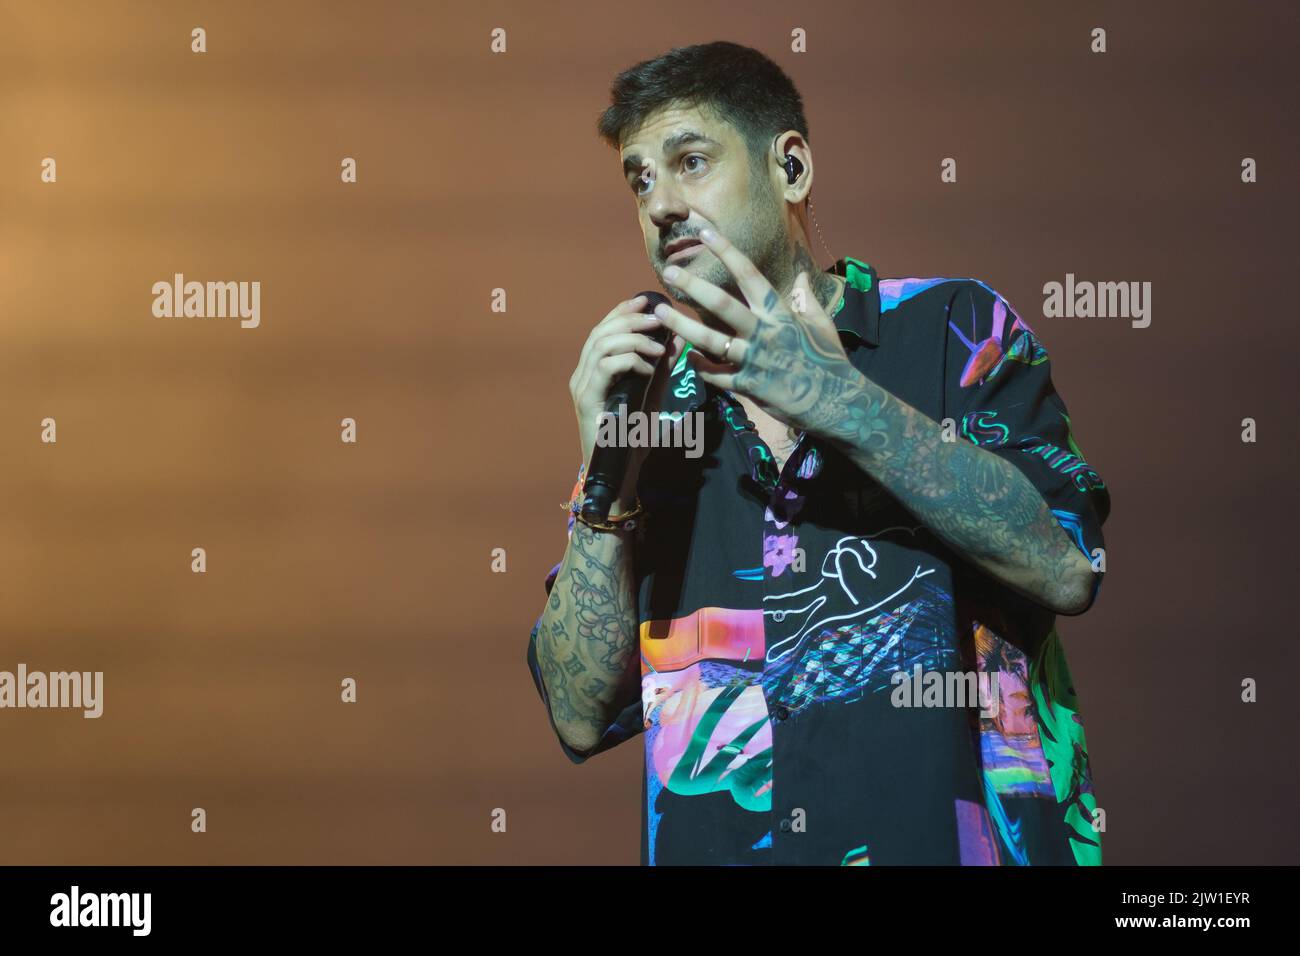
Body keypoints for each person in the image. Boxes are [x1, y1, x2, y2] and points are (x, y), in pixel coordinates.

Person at [526, 40, 1110, 866]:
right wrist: (604, 479)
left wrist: (831, 397)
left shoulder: (949, 333)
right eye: (640, 179)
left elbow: (1066, 563)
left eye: (690, 160)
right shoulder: (658, 410)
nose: (659, 204)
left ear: (790, 168)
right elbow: (580, 715)